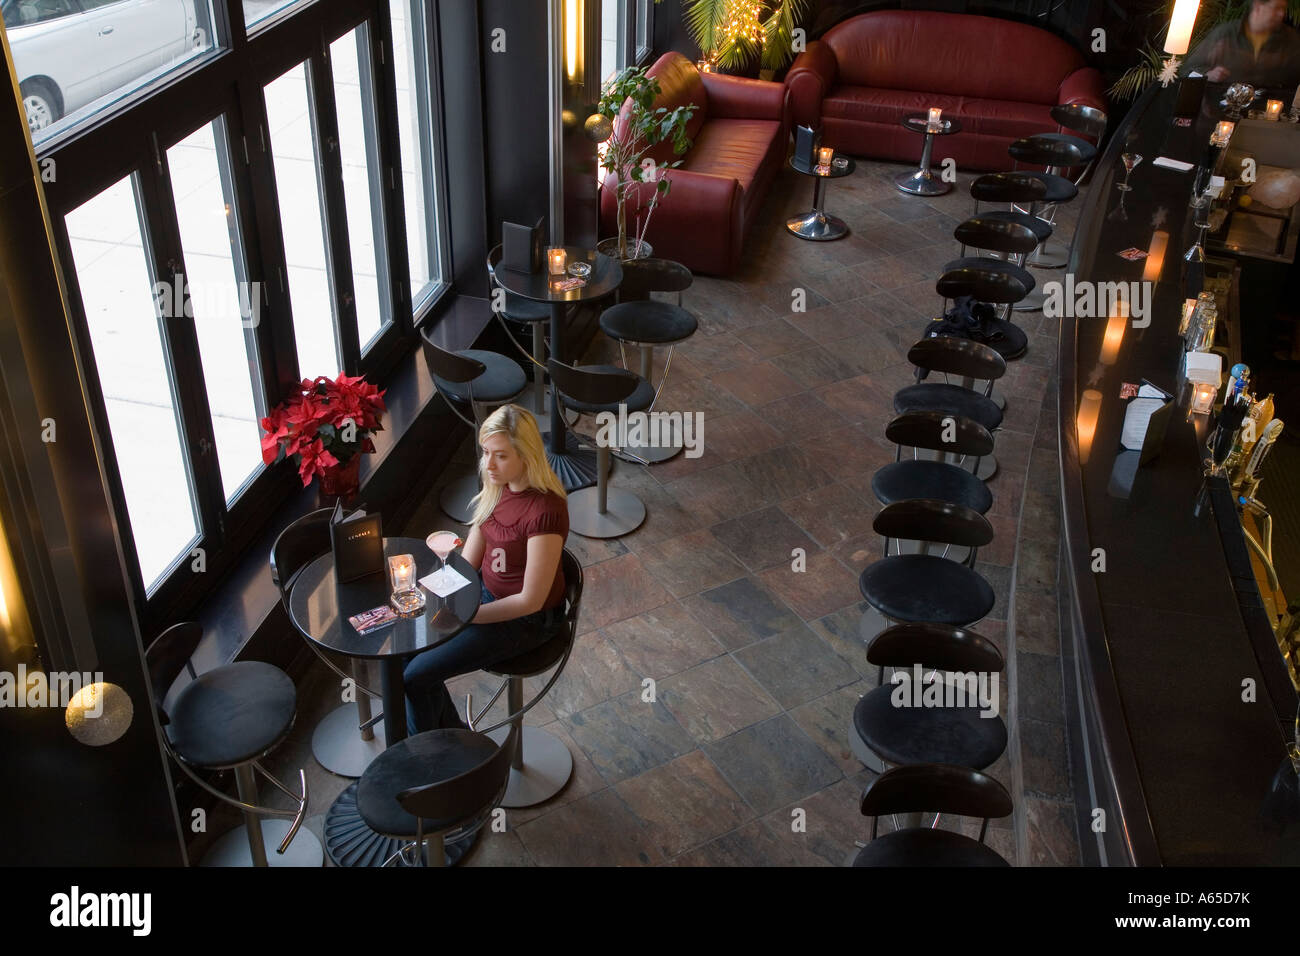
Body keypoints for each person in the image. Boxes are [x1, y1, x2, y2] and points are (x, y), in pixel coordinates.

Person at [404, 404, 569, 733]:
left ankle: (425, 763)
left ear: (527, 455)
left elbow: (530, 601)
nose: (489, 464)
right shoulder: (496, 488)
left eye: (501, 456)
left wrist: (469, 614)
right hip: (483, 596)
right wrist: (430, 590)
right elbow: (467, 563)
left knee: (415, 677)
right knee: (408, 647)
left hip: (525, 621)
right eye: (485, 452)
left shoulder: (545, 511)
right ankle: (450, 738)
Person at [1183, 0, 1300, 95]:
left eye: (1283, 9)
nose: (1282, 14)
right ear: (1258, 6)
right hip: (1224, 105)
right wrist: (1209, 75)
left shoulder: (1290, 39)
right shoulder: (1226, 34)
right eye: (1277, 8)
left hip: (1266, 112)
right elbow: (1188, 70)